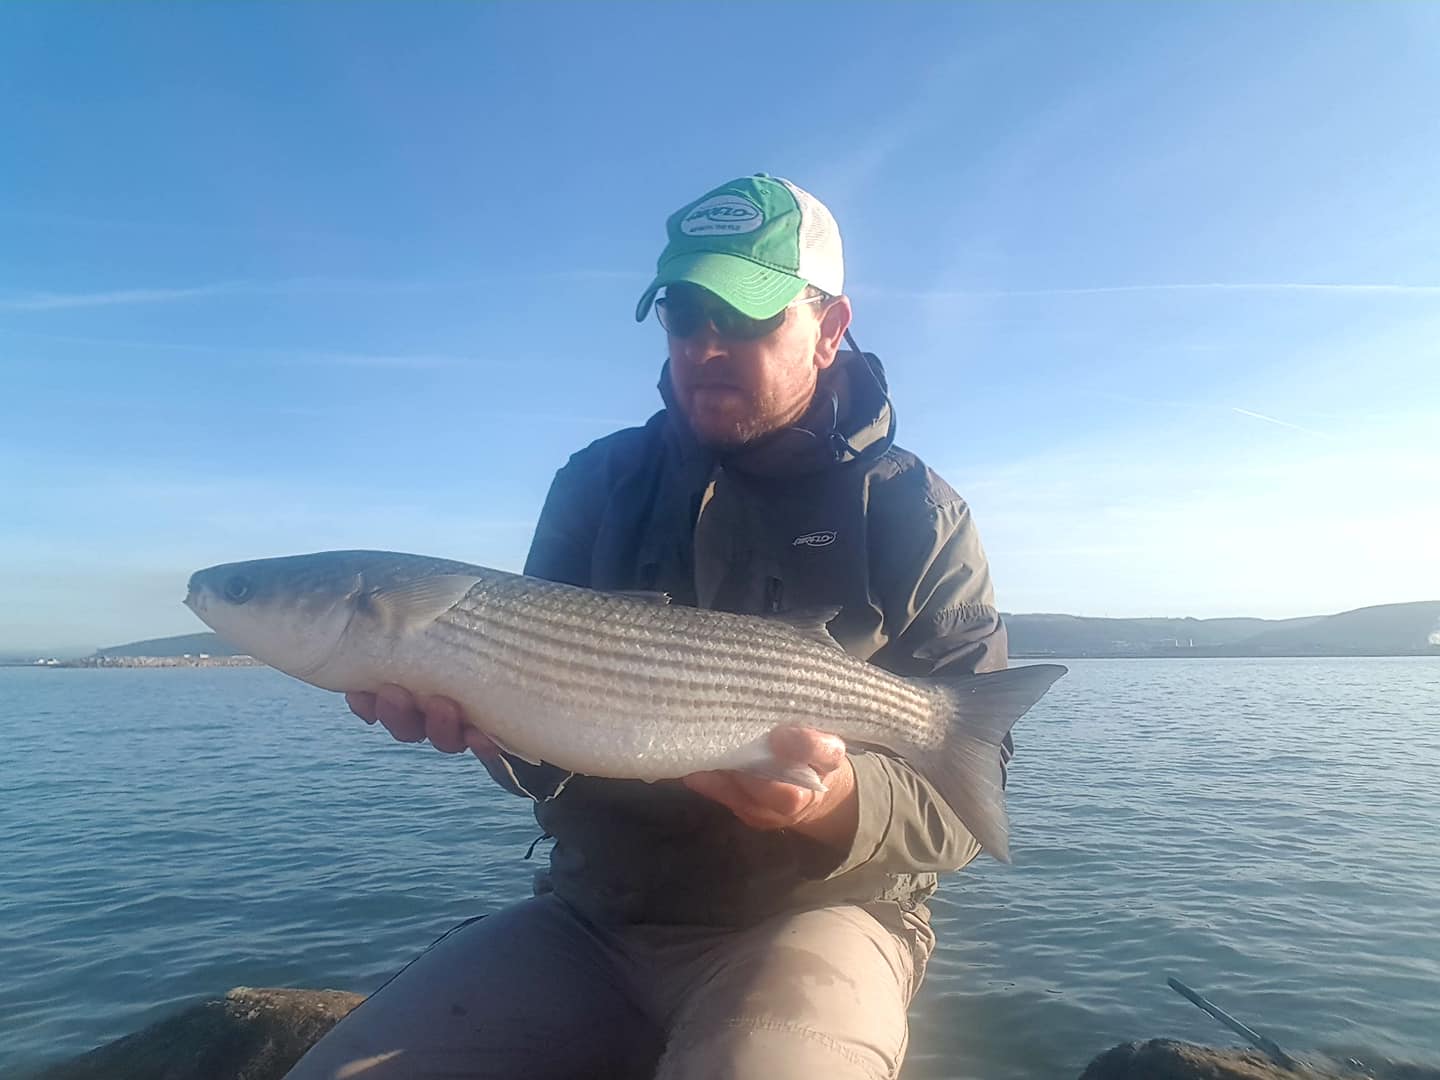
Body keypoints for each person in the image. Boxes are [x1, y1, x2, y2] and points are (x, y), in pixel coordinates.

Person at [286, 174, 1010, 1080]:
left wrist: (836, 803)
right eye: (683, 316)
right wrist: (485, 726)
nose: (706, 345)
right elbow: (550, 754)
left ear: (829, 329)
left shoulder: (918, 514)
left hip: (826, 914)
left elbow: (959, 817)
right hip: (595, 916)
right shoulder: (596, 484)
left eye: (745, 317)